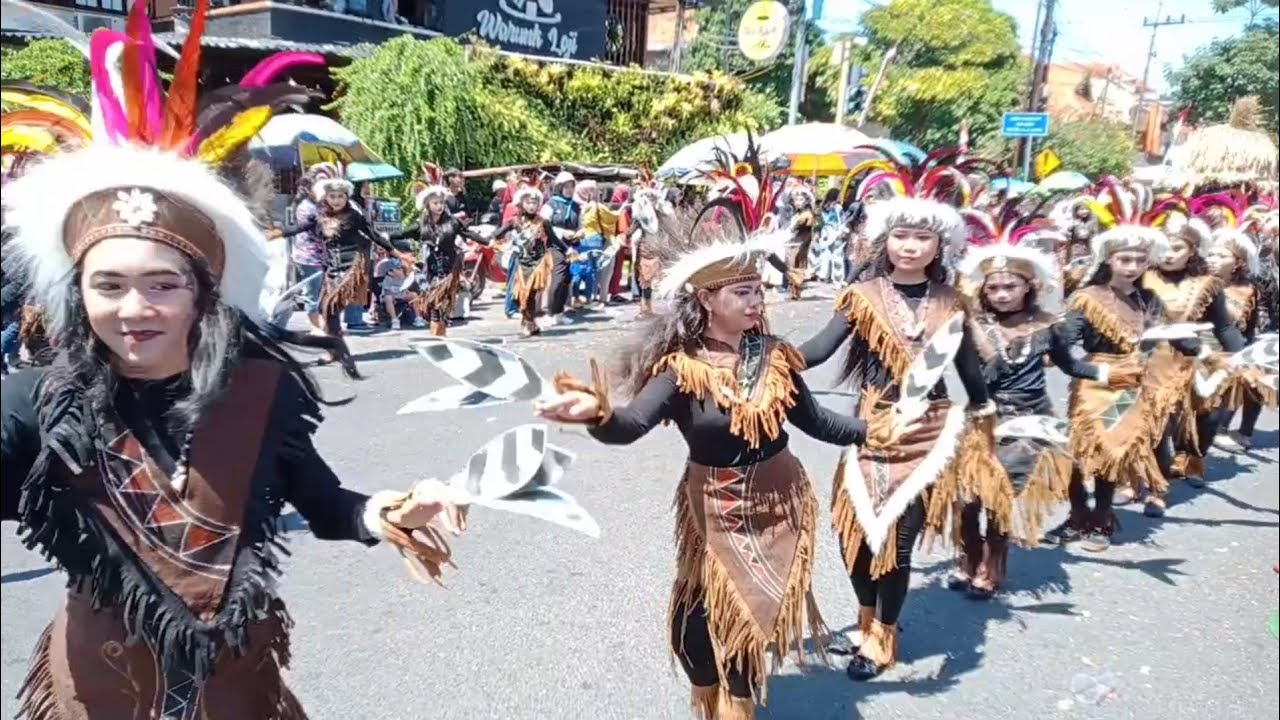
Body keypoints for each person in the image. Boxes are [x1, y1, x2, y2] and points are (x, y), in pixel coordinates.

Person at [0, 12, 464, 716]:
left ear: (202, 293)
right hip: (95, 694)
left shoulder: (258, 391)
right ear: (80, 293)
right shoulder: (37, 401)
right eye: (110, 285)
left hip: (238, 692)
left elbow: (323, 501)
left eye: (163, 284)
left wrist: (389, 510)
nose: (135, 308)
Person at [536, 223, 921, 720]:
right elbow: (629, 426)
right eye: (742, 292)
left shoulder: (775, 356)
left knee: (745, 617)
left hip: (777, 503)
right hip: (712, 504)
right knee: (692, 624)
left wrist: (875, 432)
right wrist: (596, 414)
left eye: (758, 290)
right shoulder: (681, 368)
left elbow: (818, 422)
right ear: (707, 300)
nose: (756, 301)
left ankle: (737, 707)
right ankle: (710, 695)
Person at [798, 191, 998, 680]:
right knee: (857, 540)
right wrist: (759, 358)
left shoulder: (953, 303)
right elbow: (819, 350)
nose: (910, 247)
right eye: (901, 236)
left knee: (896, 542)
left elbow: (969, 373)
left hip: (927, 433)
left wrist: (987, 423)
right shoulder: (862, 297)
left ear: (940, 245)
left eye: (922, 237)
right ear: (885, 241)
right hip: (871, 430)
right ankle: (866, 620)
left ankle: (884, 636)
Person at [950, 213, 1104, 596]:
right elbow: (960, 370)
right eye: (994, 288)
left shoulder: (1047, 324)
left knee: (999, 494)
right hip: (983, 418)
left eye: (1010, 286)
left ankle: (992, 567)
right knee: (967, 498)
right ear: (983, 291)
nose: (1002, 294)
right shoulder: (971, 325)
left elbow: (1070, 365)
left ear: (1028, 286)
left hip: (1030, 421)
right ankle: (969, 558)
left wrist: (1109, 374)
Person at [1048, 206, 1198, 551]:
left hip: (1130, 388)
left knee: (1111, 453)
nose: (1131, 267)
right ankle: (1075, 516)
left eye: (1139, 260)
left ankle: (1101, 520)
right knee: (1078, 454)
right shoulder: (1087, 298)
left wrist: (1199, 347)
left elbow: (1171, 334)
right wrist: (1098, 371)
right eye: (1124, 259)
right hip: (1094, 387)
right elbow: (1063, 350)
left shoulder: (1149, 299)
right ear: (1109, 260)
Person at [1141, 195, 1246, 513]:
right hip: (1151, 361)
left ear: (1191, 252)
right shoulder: (1141, 279)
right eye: (1164, 248)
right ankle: (1157, 487)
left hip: (1195, 359)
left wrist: (1242, 358)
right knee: (1157, 423)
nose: (1169, 255)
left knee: (1209, 416)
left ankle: (1194, 458)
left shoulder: (1208, 284)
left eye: (1177, 248)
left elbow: (1224, 327)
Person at [274, 169, 415, 362]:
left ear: (346, 197)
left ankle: (335, 349)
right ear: (326, 197)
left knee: (330, 306)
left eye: (340, 196)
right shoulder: (320, 216)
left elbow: (373, 235)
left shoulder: (353, 216)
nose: (337, 200)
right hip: (333, 268)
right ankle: (336, 347)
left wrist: (399, 254)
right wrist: (278, 233)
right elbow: (299, 227)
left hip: (352, 266)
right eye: (332, 196)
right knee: (326, 309)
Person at [388, 179, 486, 336]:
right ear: (428, 205)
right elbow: (398, 235)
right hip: (430, 271)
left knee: (444, 304)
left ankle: (441, 332)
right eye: (435, 203)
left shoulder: (453, 222)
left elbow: (468, 233)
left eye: (441, 202)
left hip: (449, 270)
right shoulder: (420, 226)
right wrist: (396, 248)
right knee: (434, 304)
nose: (439, 206)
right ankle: (437, 333)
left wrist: (489, 241)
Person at [1203, 226, 1270, 451]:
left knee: (1256, 377)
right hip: (1202, 349)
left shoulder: (1249, 289)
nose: (1213, 260)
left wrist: (1250, 351)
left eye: (1221, 256)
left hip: (1233, 347)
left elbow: (1250, 325)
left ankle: (1241, 431)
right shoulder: (1197, 284)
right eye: (1211, 254)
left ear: (1238, 262)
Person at [492, 187, 567, 337]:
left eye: (535, 202)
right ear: (521, 203)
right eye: (528, 202)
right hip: (521, 263)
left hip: (537, 263)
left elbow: (554, 240)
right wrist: (495, 242)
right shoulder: (515, 221)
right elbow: (497, 234)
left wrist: (568, 251)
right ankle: (530, 323)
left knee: (531, 294)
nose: (532, 206)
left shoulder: (543, 222)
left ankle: (528, 323)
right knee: (521, 295)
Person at [541, 172, 584, 325]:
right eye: (566, 186)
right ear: (559, 187)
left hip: (572, 246)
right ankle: (550, 312)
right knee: (557, 279)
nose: (569, 190)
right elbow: (544, 225)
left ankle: (559, 313)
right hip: (556, 245)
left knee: (567, 279)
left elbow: (581, 225)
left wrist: (579, 232)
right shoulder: (551, 204)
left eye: (572, 186)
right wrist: (562, 232)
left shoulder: (576, 206)